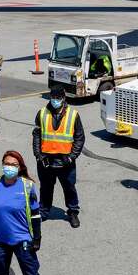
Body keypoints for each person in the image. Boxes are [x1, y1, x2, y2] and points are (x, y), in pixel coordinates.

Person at [32, 85, 84, 228]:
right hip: (46, 159)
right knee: (46, 188)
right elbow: (36, 135)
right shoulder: (42, 113)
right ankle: (43, 211)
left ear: (63, 98)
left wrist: (72, 156)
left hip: (65, 160)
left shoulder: (73, 115)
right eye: (53, 97)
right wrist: (38, 155)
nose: (55, 100)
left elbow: (79, 137)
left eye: (58, 98)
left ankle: (73, 212)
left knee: (69, 187)